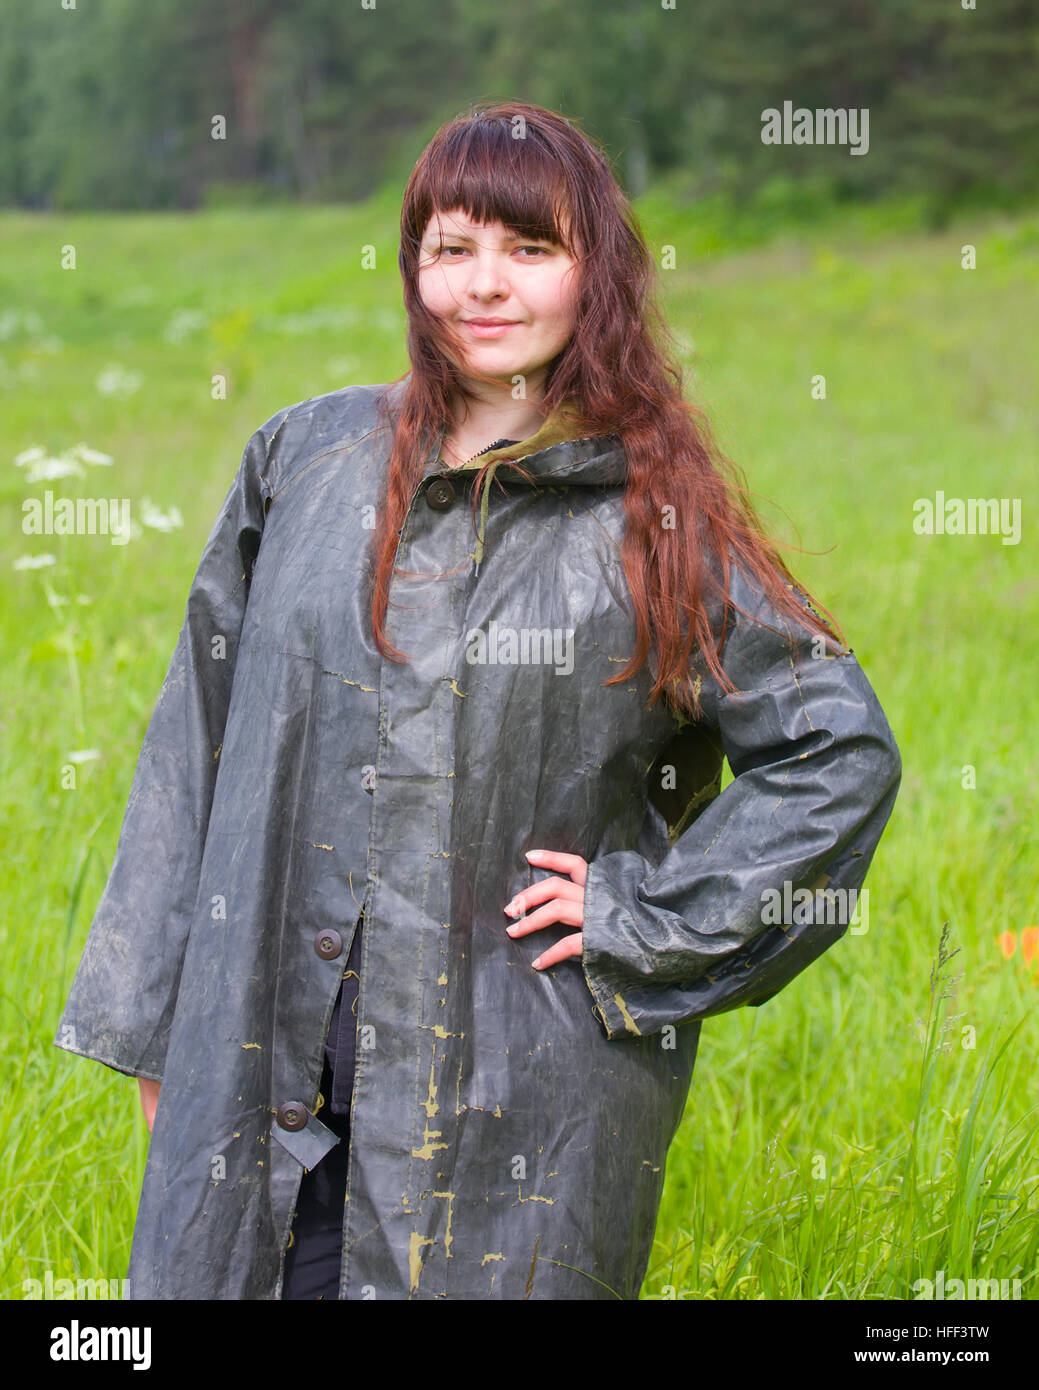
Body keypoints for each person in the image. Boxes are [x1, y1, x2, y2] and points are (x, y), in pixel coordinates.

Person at [55, 100, 901, 1300]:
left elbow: (838, 749)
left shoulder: (657, 516)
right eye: (452, 249)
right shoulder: (304, 459)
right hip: (265, 1052)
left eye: (530, 249)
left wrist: (647, 914)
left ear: (591, 273)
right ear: (412, 267)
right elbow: (196, 737)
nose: (484, 286)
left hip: (518, 1091)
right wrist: (160, 1032)